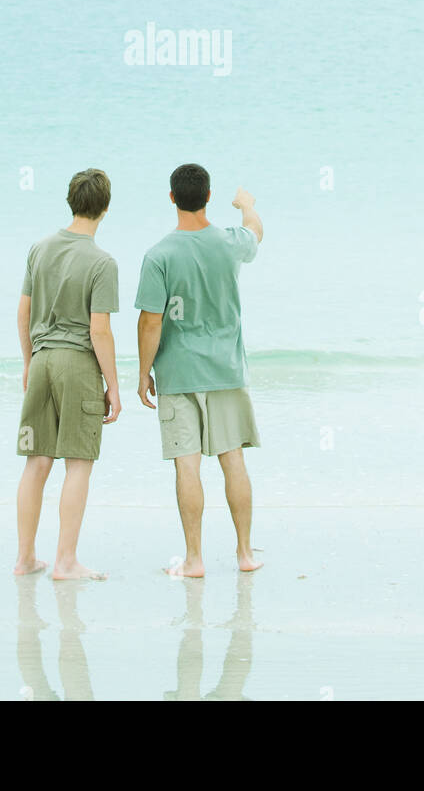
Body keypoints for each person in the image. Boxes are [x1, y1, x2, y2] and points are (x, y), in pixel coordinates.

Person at [135, 164, 263, 577]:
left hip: (178, 372)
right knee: (234, 462)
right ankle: (244, 554)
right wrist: (246, 205)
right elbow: (256, 231)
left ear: (172, 198)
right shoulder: (230, 242)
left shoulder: (159, 255)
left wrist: (142, 373)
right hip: (226, 370)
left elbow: (150, 322)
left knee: (186, 466)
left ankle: (194, 559)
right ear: (208, 197)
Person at [14, 168, 120, 580]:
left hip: (41, 360)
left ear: (70, 201)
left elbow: (23, 312)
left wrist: (29, 361)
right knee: (78, 463)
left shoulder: (39, 249)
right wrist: (113, 385)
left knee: (36, 461)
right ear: (104, 209)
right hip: (77, 364)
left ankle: (25, 558)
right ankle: (65, 561)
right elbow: (100, 330)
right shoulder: (102, 262)